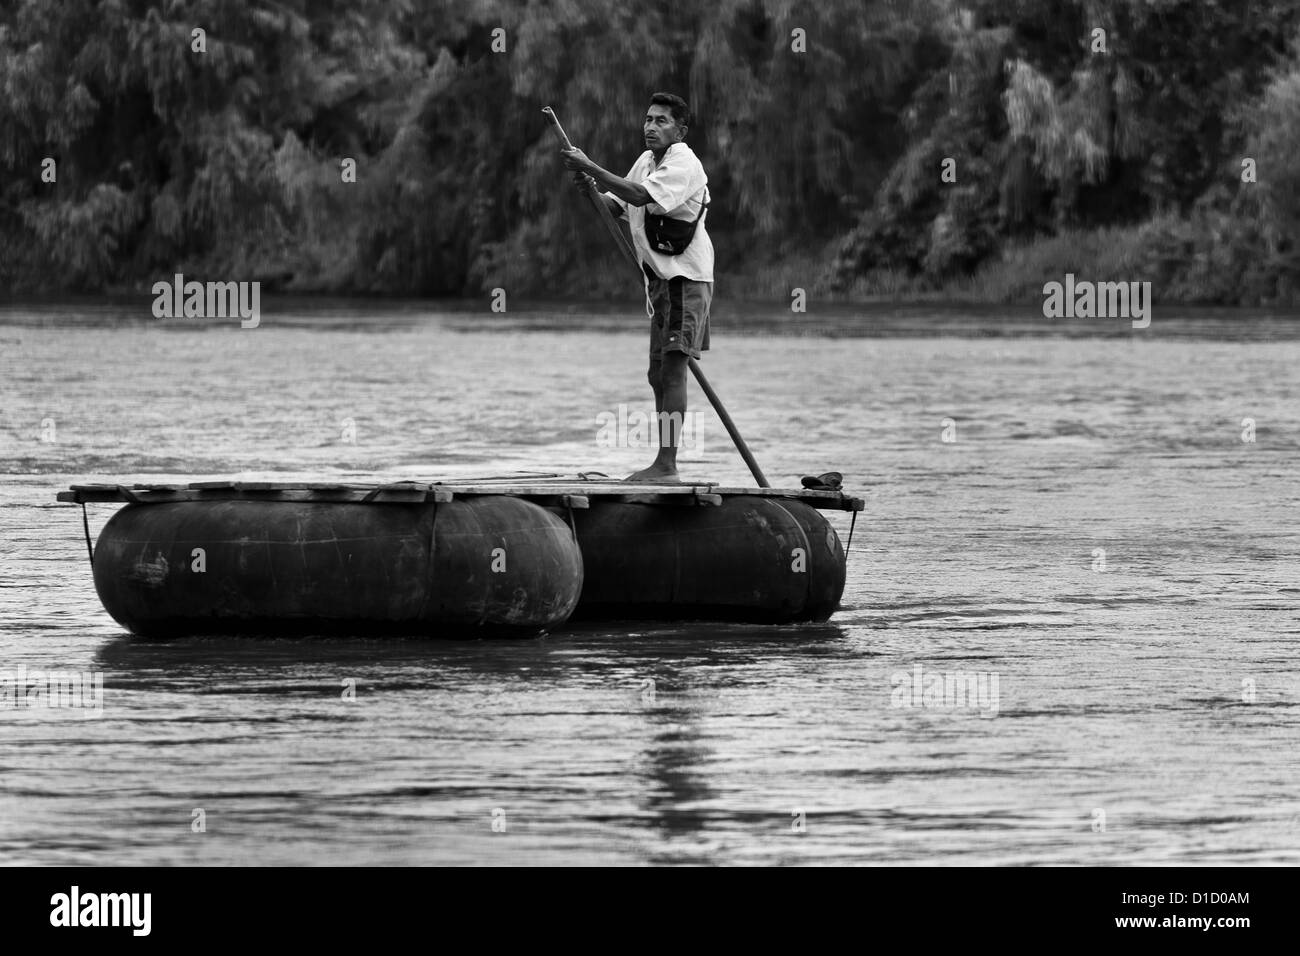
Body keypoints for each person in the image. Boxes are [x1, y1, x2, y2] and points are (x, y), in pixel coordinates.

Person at [560, 92, 713, 482]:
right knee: (657, 374)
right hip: (659, 283)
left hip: (684, 279)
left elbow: (643, 196)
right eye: (648, 119)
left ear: (680, 130)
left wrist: (591, 165)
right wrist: (590, 189)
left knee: (674, 371)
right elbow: (617, 205)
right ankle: (662, 462)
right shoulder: (646, 161)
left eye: (661, 120)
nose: (650, 126)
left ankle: (667, 466)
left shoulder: (683, 162)